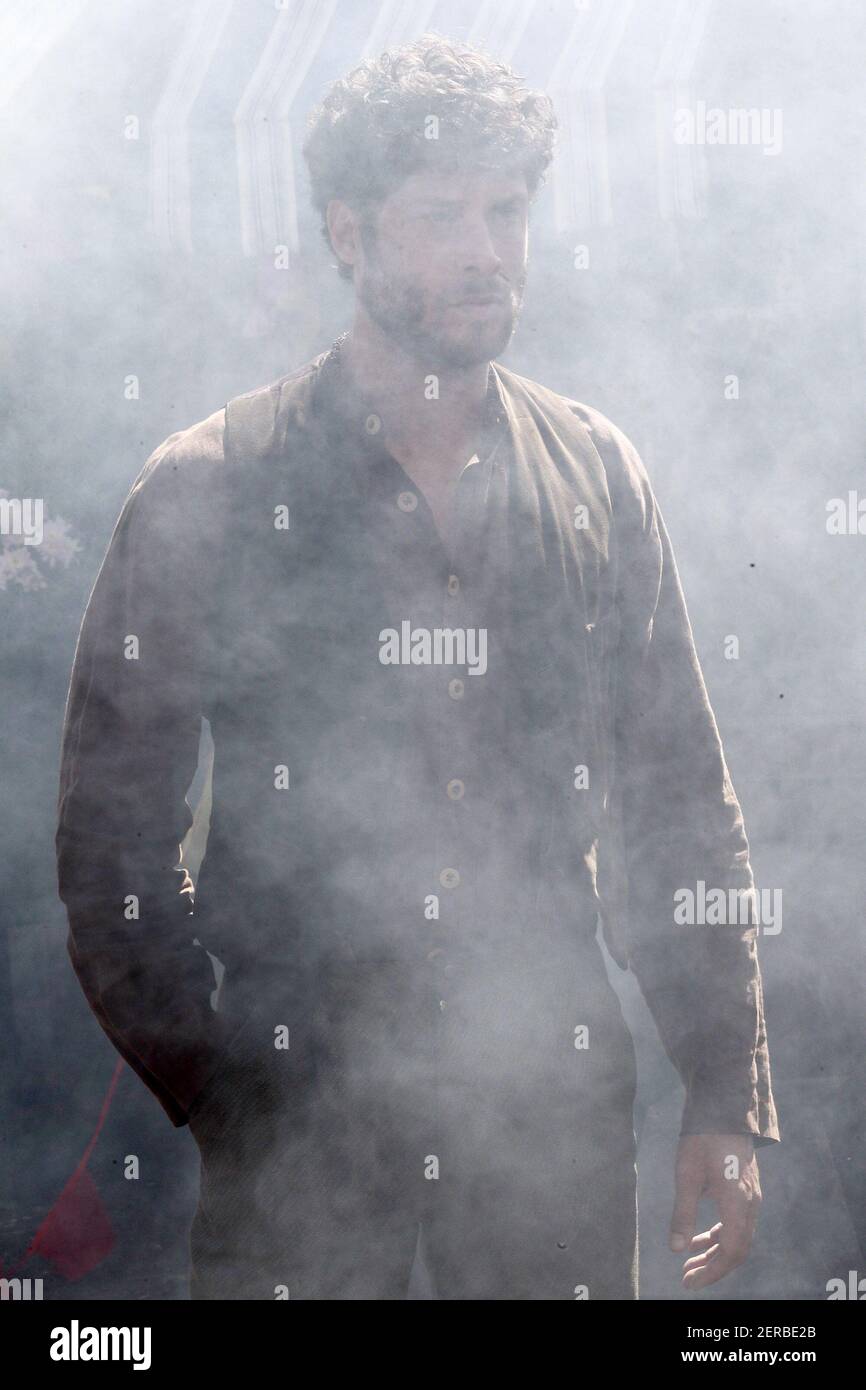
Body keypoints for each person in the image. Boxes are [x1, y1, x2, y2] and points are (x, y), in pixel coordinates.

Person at [55, 34, 778, 1300]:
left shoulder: (595, 471)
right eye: (442, 213)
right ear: (349, 234)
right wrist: (222, 1080)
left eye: (506, 210)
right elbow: (110, 840)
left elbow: (677, 806)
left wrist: (722, 1090)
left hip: (545, 1102)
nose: (486, 248)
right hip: (301, 1102)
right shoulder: (210, 486)